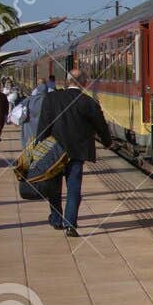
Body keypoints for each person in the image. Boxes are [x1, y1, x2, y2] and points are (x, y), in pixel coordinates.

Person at [37, 68, 110, 237]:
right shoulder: (88, 102)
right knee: (74, 187)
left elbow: (44, 125)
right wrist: (107, 142)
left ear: (67, 81)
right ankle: (70, 224)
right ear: (84, 83)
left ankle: (56, 219)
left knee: (54, 187)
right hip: (77, 153)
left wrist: (39, 146)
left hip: (54, 151)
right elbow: (100, 124)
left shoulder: (52, 99)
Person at [21, 75, 53, 144]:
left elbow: (20, 109)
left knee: (30, 144)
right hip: (44, 129)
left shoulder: (30, 99)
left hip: (30, 129)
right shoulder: (51, 100)